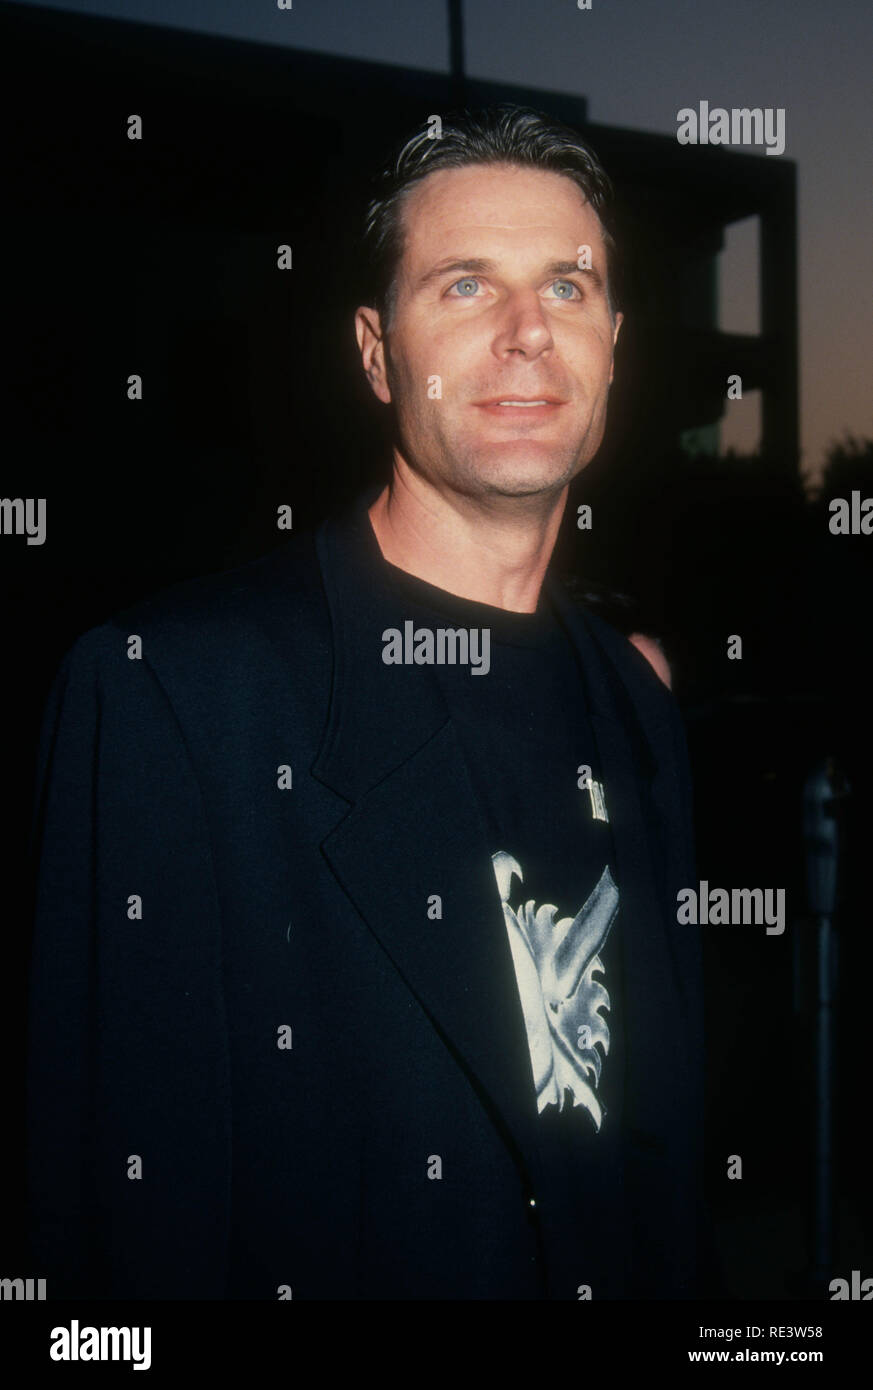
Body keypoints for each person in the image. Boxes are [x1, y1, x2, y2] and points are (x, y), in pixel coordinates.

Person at [26, 105, 709, 1300]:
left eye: (566, 287)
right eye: (462, 286)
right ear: (375, 351)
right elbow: (113, 1240)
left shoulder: (637, 705)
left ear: (614, 346)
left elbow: (660, 1168)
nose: (524, 334)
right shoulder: (174, 696)